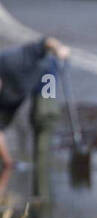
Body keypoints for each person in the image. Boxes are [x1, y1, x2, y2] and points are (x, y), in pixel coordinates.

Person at [0, 36, 71, 172]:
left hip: (44, 77)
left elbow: (47, 41)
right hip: (24, 90)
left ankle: (42, 170)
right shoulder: (3, 101)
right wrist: (9, 163)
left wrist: (59, 50)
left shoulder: (12, 60)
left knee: (44, 115)